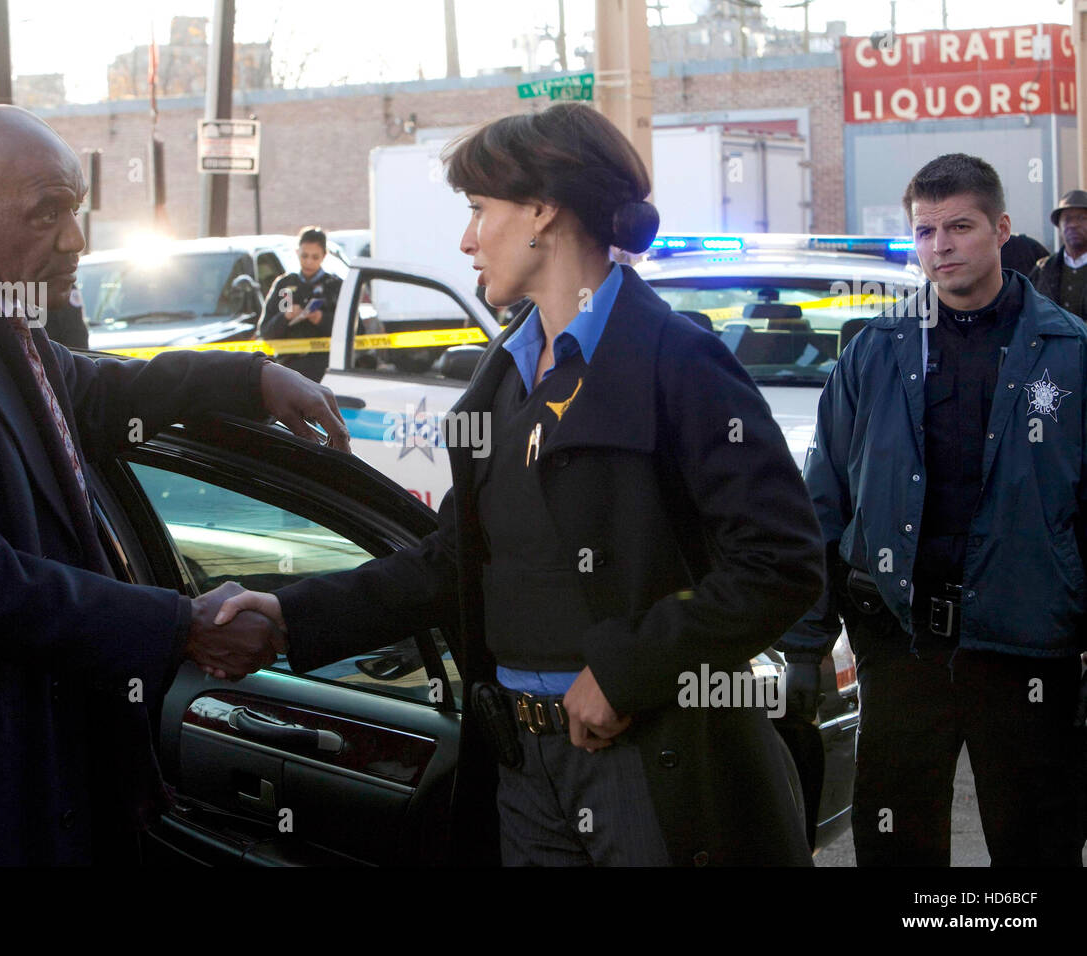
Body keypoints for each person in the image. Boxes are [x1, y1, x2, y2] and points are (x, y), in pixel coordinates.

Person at [215, 102, 825, 866]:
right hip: (520, 767)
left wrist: (629, 670)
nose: (467, 239)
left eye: (478, 210)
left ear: (542, 209)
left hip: (650, 765)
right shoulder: (502, 370)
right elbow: (453, 560)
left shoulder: (677, 359)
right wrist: (285, 613)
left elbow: (782, 561)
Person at [0, 104, 349, 865]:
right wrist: (178, 624)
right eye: (47, 213)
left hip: (51, 781)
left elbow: (96, 394)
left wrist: (252, 375)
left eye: (77, 210)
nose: (75, 240)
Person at [779, 153, 1087, 866]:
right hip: (902, 642)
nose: (940, 247)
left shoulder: (1068, 355)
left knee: (1037, 844)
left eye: (959, 227)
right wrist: (804, 641)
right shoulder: (875, 354)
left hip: (1026, 645)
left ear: (1001, 229)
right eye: (925, 231)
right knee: (896, 842)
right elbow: (823, 502)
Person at [258, 226, 342, 383]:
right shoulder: (286, 286)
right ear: (297, 253)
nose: (309, 262)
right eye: (304, 256)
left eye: (315, 257)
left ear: (324, 256)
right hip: (288, 369)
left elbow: (355, 331)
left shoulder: (334, 286)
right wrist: (285, 317)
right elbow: (266, 331)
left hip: (325, 371)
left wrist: (321, 319)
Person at [1030, 190, 1087, 319]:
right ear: (1059, 227)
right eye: (1067, 219)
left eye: (1082, 218)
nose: (1073, 225)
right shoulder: (1043, 270)